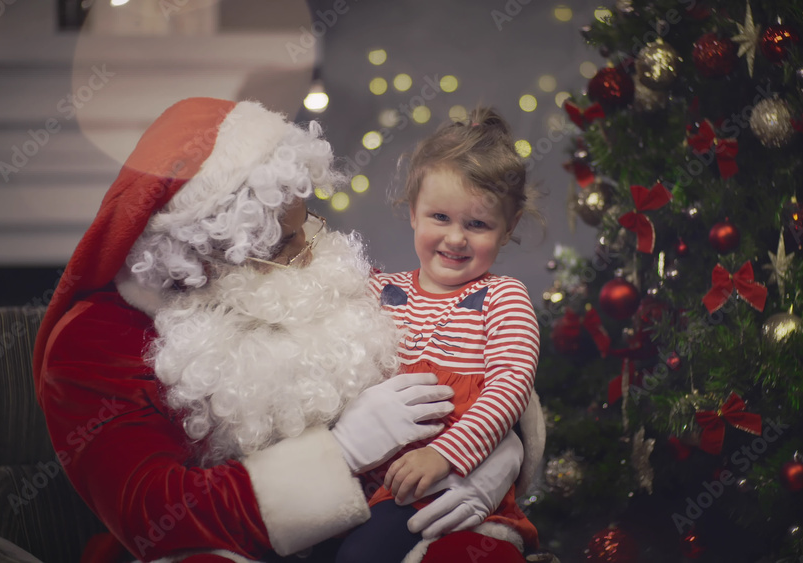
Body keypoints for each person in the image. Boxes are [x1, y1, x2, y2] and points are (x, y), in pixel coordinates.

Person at [32, 97, 544, 563]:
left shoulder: (309, 275)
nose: (309, 253)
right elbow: (157, 517)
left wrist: (500, 458)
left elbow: (481, 361)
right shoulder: (95, 344)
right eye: (283, 244)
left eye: (308, 223)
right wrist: (341, 454)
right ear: (209, 256)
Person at [337, 108, 543, 563]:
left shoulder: (502, 297)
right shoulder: (378, 290)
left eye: (477, 224)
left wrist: (445, 456)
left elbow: (509, 388)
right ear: (412, 213)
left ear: (507, 229)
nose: (455, 238)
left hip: (446, 485)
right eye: (440, 217)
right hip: (365, 482)